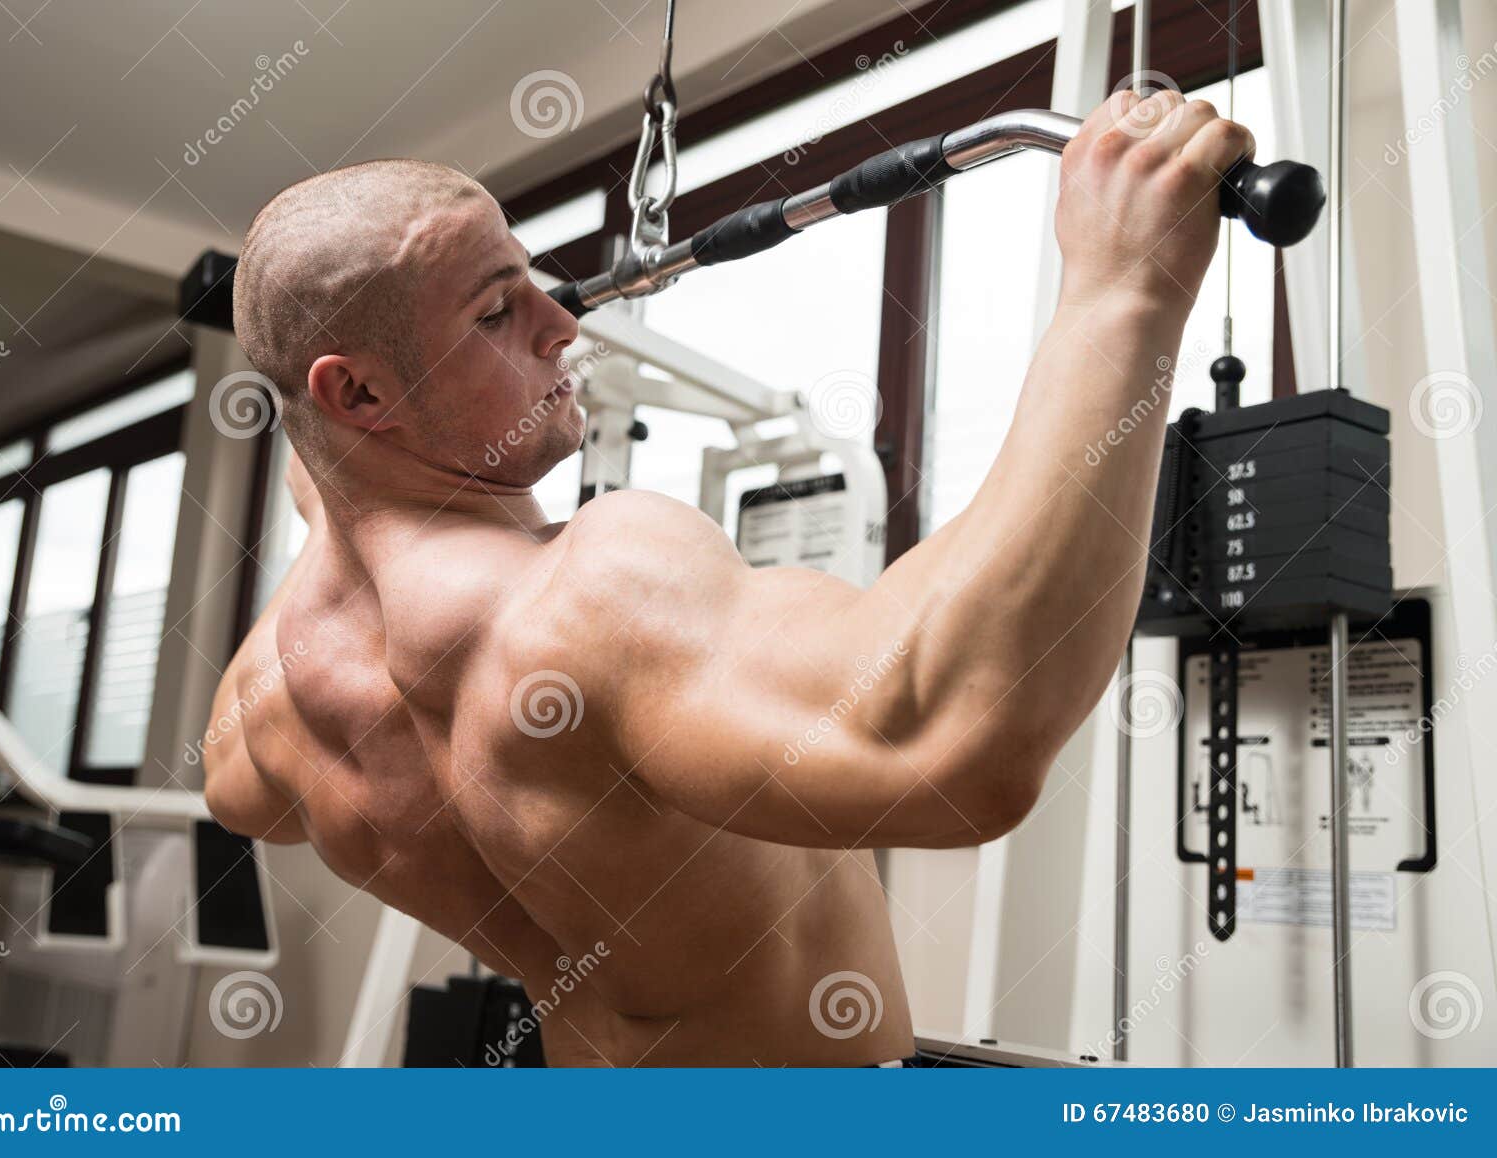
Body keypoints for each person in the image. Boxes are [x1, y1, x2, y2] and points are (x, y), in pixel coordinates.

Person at [203, 88, 1253, 1065]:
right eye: (493, 311)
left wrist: (343, 491)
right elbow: (941, 740)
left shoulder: (274, 702)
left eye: (531, 278)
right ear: (359, 395)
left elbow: (245, 795)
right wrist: (1125, 291)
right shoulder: (584, 589)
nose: (562, 322)